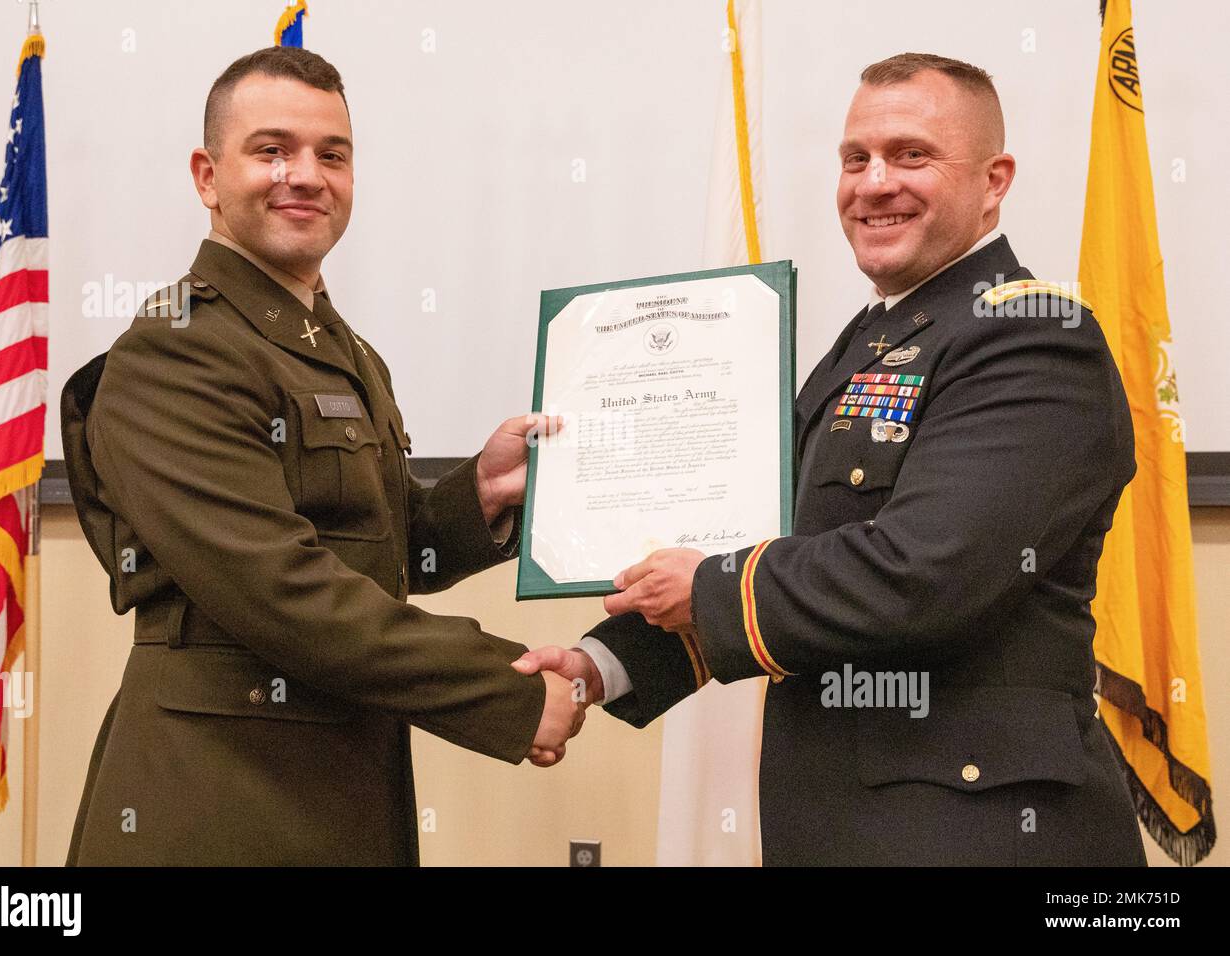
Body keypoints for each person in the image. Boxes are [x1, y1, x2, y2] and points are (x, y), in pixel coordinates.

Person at [515, 52, 1148, 866]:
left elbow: (922, 575)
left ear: (995, 181)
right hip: (842, 824)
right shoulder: (870, 340)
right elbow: (786, 551)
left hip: (976, 832)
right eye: (856, 159)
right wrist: (599, 667)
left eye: (911, 155)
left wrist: (706, 585)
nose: (874, 183)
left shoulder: (1032, 336)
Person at [60, 46, 583, 866]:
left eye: (331, 155)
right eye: (271, 150)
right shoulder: (177, 350)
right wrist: (505, 691)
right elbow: (283, 591)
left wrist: (477, 493)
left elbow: (368, 549)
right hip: (220, 806)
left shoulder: (338, 347)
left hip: (337, 786)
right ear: (207, 175)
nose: (305, 174)